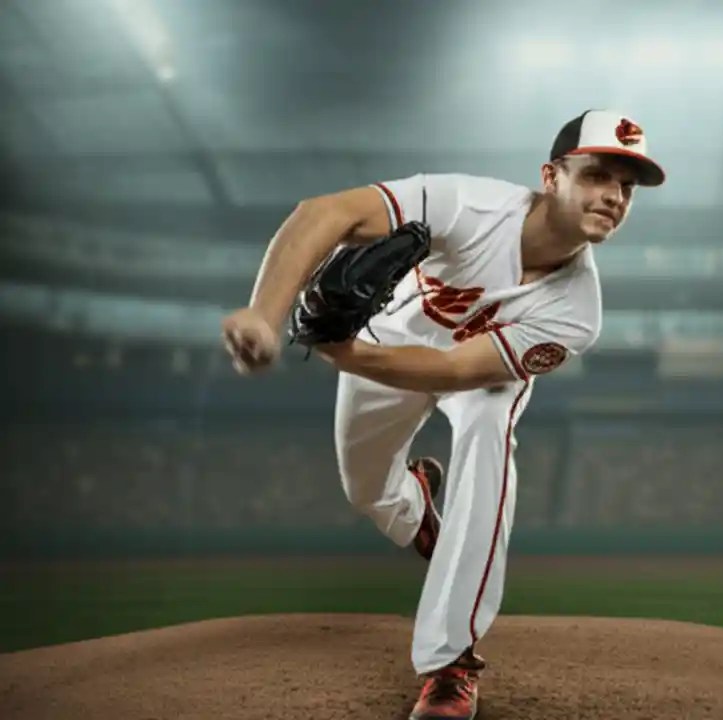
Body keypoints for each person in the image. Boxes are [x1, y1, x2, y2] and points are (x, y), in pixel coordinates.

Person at [220, 109, 664, 719]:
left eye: (627, 187)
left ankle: (450, 660)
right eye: (597, 175)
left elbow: (455, 371)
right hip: (388, 339)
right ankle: (418, 510)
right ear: (551, 177)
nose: (614, 196)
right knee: (366, 491)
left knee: (489, 430)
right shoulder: (471, 204)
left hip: (465, 372)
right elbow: (324, 213)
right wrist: (264, 317)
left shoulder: (577, 312)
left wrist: (340, 353)